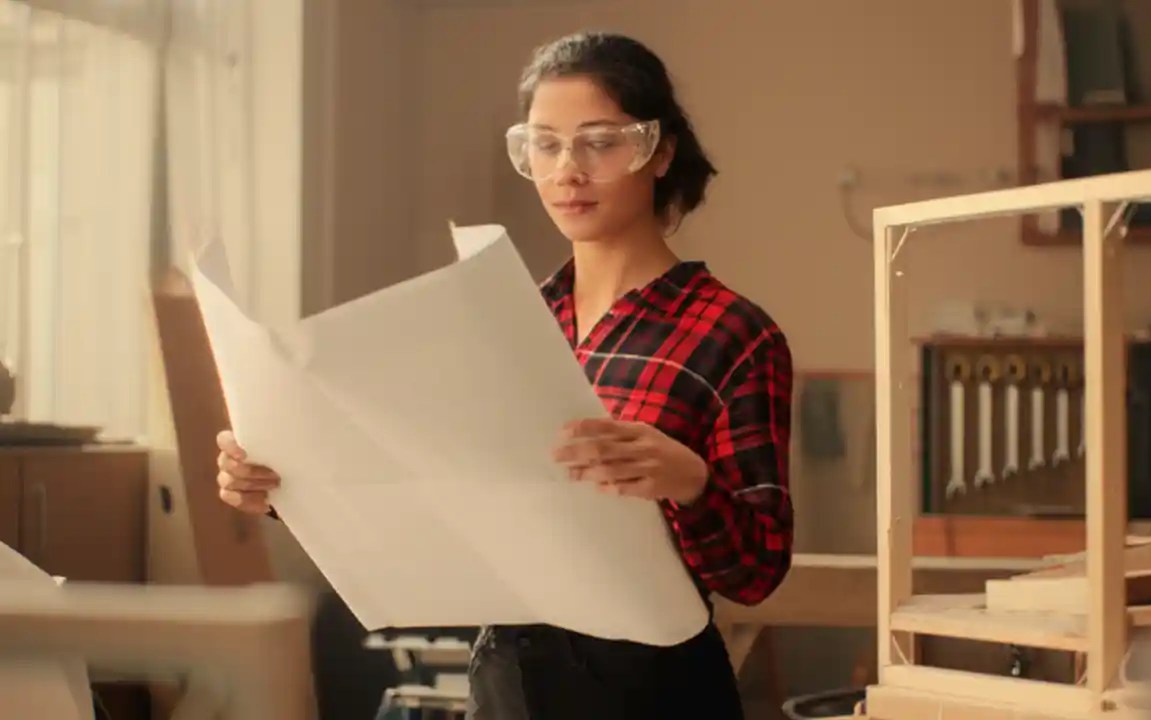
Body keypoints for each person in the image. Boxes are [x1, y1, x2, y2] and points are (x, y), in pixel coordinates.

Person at [214, 31, 794, 720]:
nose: (567, 170)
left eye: (600, 141)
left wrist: (689, 482)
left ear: (660, 151)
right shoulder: (499, 321)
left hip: (654, 686)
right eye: (544, 144)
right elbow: (420, 475)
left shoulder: (732, 333)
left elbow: (758, 570)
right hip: (508, 677)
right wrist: (284, 482)